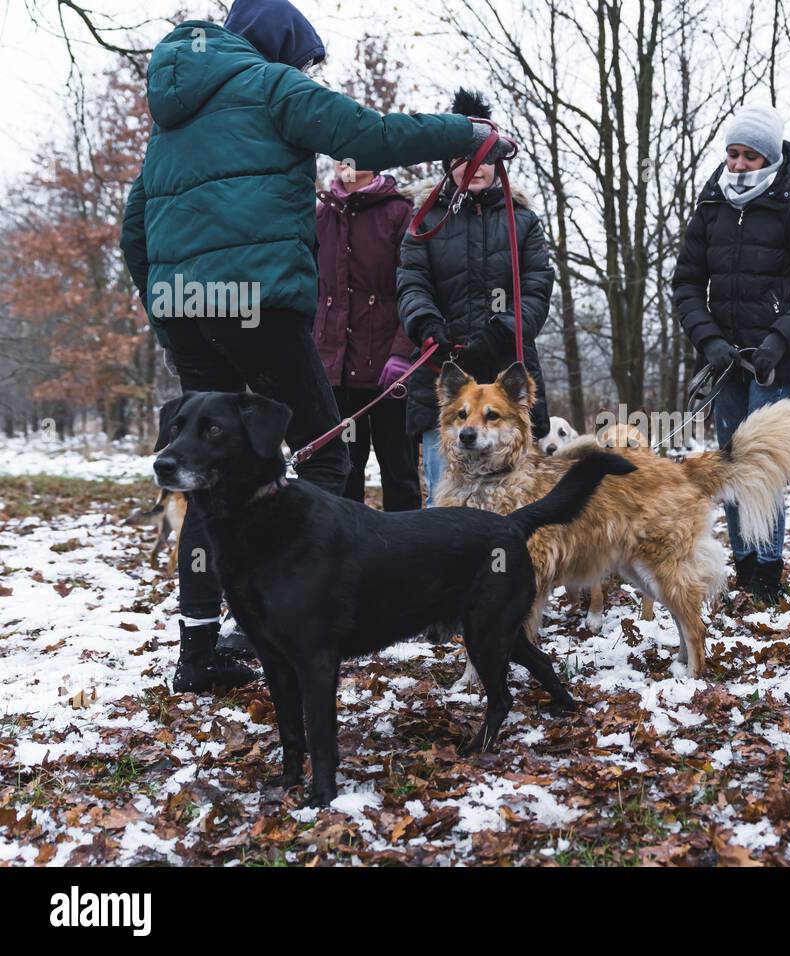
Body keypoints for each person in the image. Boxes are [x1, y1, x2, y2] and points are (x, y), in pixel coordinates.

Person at [120, 0, 497, 693]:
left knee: (209, 472)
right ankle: (284, 614)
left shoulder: (171, 118)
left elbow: (135, 223)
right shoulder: (269, 85)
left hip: (185, 309)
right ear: (280, 47)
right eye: (306, 60)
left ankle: (199, 651)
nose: (306, 72)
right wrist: (469, 131)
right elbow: (370, 134)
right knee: (324, 453)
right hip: (257, 300)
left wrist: (163, 300)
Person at [671, 104, 790, 605]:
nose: (739, 164)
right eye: (733, 154)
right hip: (724, 365)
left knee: (760, 470)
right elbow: (685, 283)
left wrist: (781, 337)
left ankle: (766, 576)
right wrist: (708, 341)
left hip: (775, 363)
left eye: (749, 155)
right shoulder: (710, 205)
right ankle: (744, 565)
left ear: (767, 158)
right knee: (731, 468)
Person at [397, 89, 555, 505]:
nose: (474, 167)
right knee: (444, 502)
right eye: (462, 157)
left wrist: (504, 330)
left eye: (482, 157)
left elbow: (537, 287)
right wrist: (428, 326)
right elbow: (411, 282)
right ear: (448, 163)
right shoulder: (423, 221)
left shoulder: (522, 221)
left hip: (507, 370)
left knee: (518, 503)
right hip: (441, 370)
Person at [315, 159, 422, 512]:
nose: (346, 162)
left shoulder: (399, 213)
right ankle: (345, 561)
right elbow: (311, 292)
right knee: (343, 474)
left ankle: (405, 561)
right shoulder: (321, 216)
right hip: (336, 373)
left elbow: (415, 286)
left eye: (356, 153)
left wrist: (403, 352)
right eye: (339, 155)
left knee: (400, 474)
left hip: (389, 374)